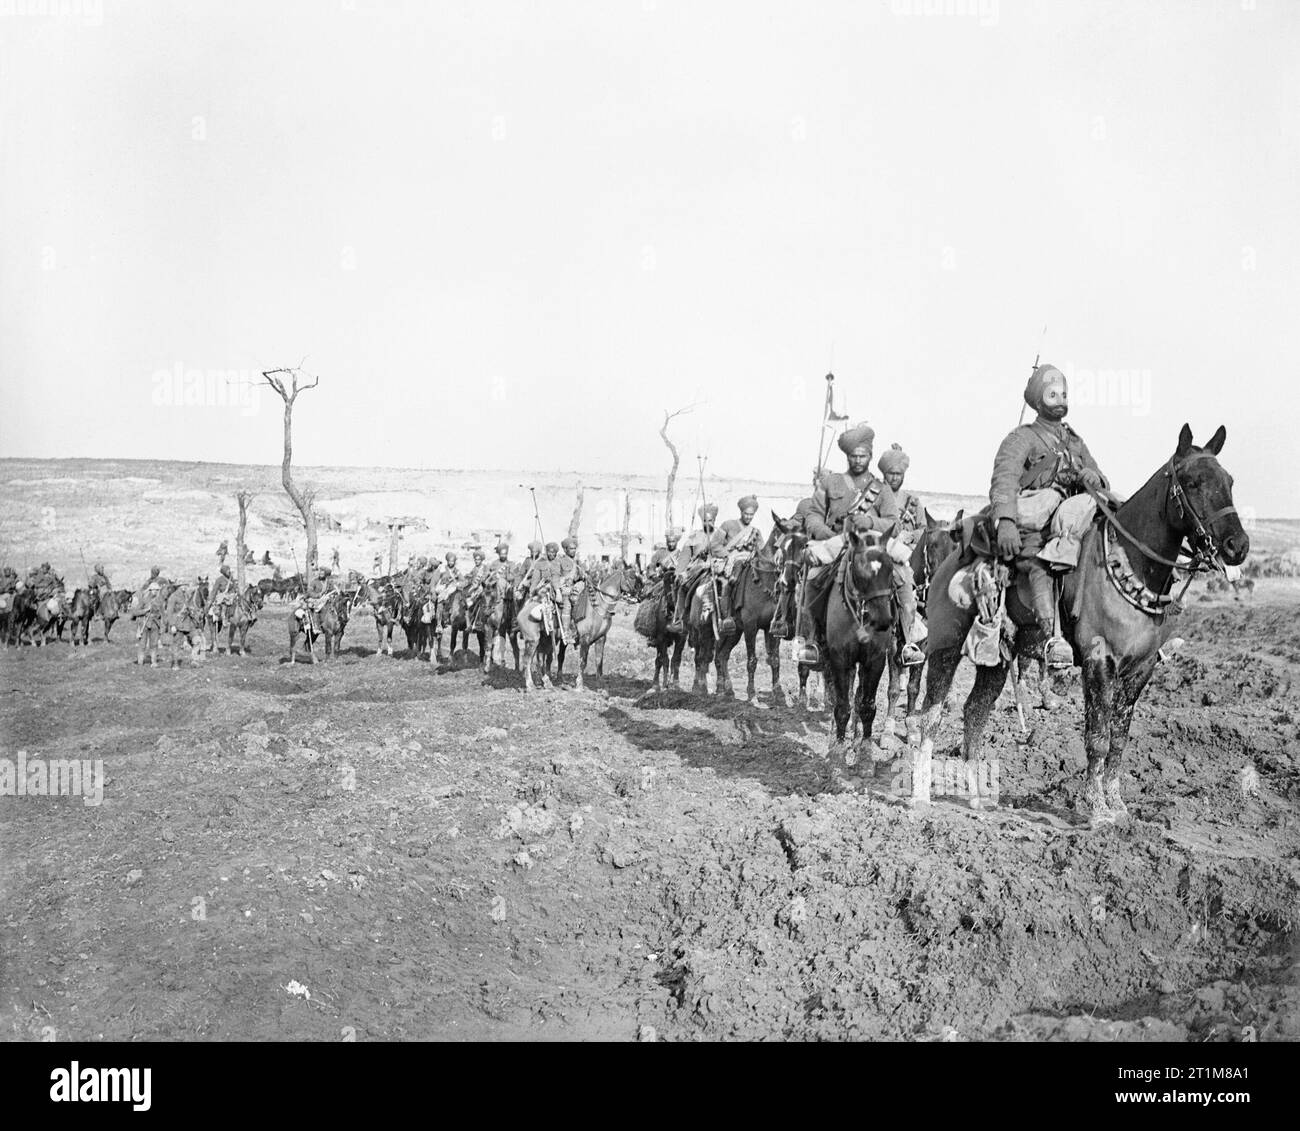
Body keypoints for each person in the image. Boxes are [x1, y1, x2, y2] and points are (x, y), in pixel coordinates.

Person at [991, 364, 1108, 668]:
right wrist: (1005, 522)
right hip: (1035, 522)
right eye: (1052, 394)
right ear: (1038, 401)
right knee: (1039, 562)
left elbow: (1099, 475)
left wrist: (1092, 476)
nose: (1060, 399)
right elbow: (1004, 480)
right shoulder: (1022, 438)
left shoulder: (1074, 441)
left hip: (1072, 520)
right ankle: (1053, 637)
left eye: (1064, 393)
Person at [794, 422, 902, 664]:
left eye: (862, 456)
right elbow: (812, 515)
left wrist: (869, 521)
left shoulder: (881, 489)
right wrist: (824, 533)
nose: (857, 461)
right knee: (812, 579)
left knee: (904, 577)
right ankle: (813, 639)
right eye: (853, 456)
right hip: (835, 543)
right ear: (847, 456)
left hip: (871, 548)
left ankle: (906, 640)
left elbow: (894, 523)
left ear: (870, 457)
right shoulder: (830, 483)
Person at [877, 444, 926, 666]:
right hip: (877, 554)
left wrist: (909, 535)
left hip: (902, 558)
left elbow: (925, 530)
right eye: (891, 474)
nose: (895, 478)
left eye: (899, 474)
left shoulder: (913, 502)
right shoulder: (874, 498)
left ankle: (907, 645)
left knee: (908, 602)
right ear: (883, 475)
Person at [667, 505, 723, 635]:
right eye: (705, 520)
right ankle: (681, 620)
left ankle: (731, 618)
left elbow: (728, 552)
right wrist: (679, 572)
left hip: (718, 567)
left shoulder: (721, 535)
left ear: (714, 520)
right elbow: (685, 555)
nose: (708, 523)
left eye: (710, 520)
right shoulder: (694, 536)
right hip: (697, 568)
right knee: (681, 586)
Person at [713, 496, 763, 634]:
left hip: (750, 563)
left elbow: (762, 550)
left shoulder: (756, 532)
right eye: (746, 514)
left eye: (751, 515)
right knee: (727, 583)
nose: (748, 517)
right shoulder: (728, 525)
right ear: (741, 512)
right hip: (730, 563)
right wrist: (729, 556)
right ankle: (727, 617)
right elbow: (715, 545)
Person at [557, 536, 586, 638]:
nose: (573, 551)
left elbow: (581, 576)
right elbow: (557, 576)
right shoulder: (561, 561)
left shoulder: (577, 562)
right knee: (567, 604)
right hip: (565, 589)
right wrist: (564, 581)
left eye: (574, 549)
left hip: (576, 588)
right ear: (565, 550)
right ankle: (566, 631)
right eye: (571, 549)